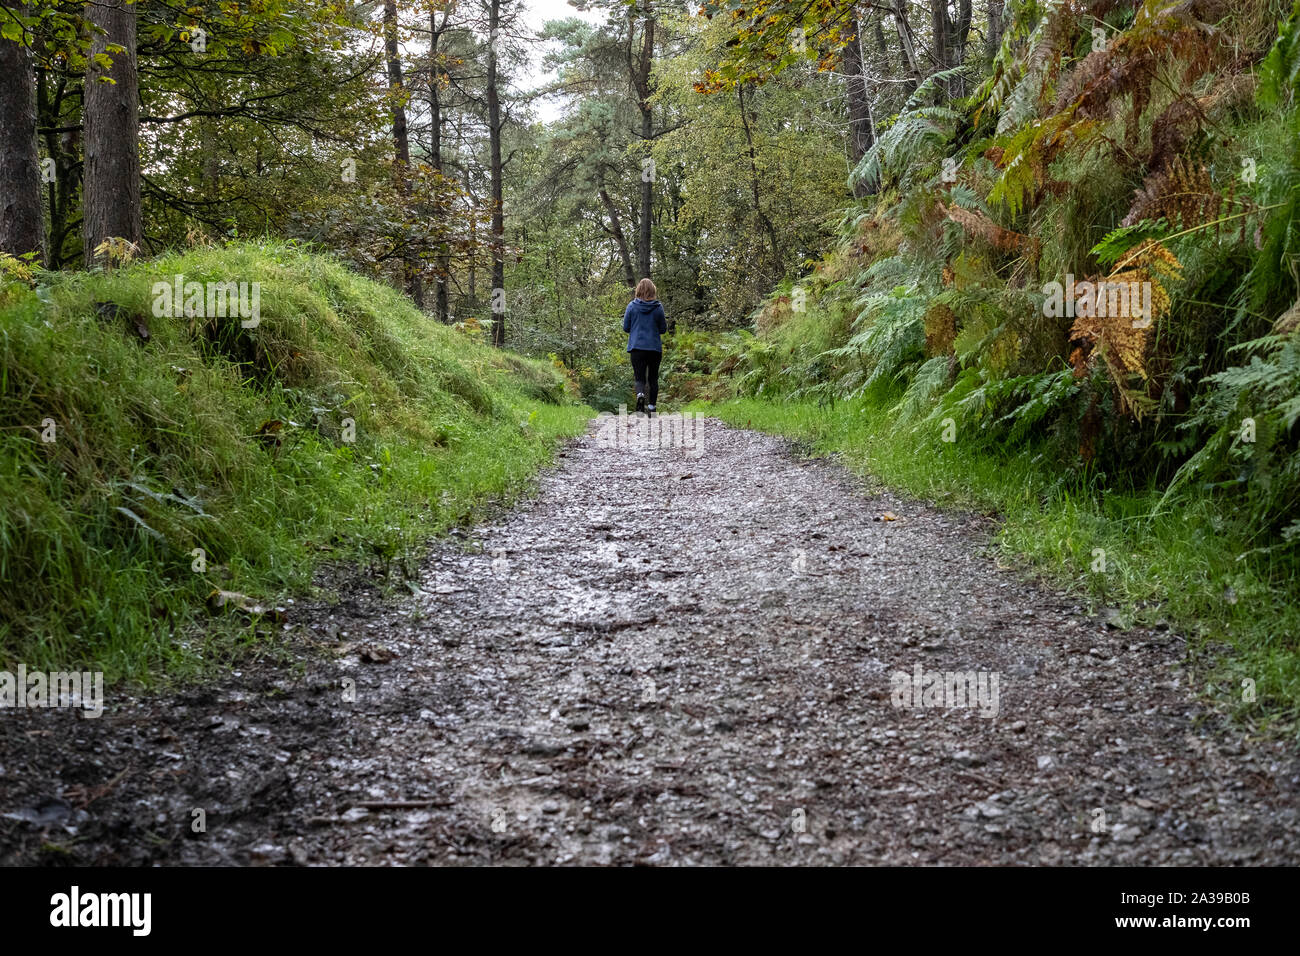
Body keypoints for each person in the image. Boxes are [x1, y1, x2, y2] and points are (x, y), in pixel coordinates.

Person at [623, 277, 667, 415]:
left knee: (639, 378)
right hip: (654, 348)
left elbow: (626, 327)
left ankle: (640, 395)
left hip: (637, 348)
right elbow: (663, 329)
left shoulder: (631, 306)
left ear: (638, 290)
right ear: (653, 290)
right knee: (653, 378)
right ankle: (652, 408)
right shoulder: (658, 307)